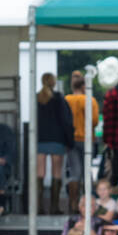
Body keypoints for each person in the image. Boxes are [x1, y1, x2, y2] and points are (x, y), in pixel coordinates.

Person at [36, 73, 74, 215]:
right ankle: (54, 207)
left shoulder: (37, 98)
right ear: (53, 83)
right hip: (57, 140)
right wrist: (69, 141)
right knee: (56, 173)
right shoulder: (59, 99)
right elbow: (66, 121)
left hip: (40, 139)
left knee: (40, 173)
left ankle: (38, 207)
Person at [64, 71, 99, 214]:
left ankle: (73, 204)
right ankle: (88, 205)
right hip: (87, 140)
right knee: (87, 172)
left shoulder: (66, 99)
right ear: (84, 86)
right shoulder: (90, 100)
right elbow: (95, 121)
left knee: (74, 172)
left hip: (71, 140)